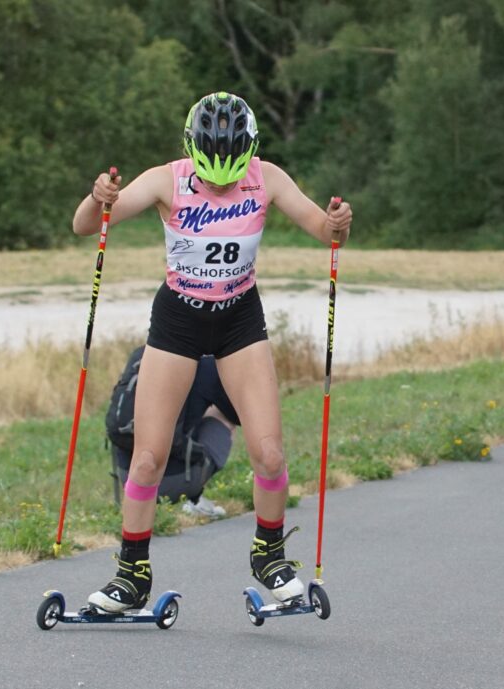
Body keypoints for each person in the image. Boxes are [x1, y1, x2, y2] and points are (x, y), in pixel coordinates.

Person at [73, 91, 352, 612]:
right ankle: (131, 575)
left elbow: (323, 229)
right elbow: (87, 225)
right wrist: (98, 196)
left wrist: (339, 224)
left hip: (239, 322)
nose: (223, 184)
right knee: (149, 456)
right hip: (178, 321)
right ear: (193, 151)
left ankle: (269, 557)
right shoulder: (165, 179)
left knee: (269, 452)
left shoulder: (267, 177)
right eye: (212, 174)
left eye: (232, 173)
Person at [106, 345, 239, 519]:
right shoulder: (205, 365)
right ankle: (194, 500)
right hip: (174, 483)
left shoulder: (140, 355)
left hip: (130, 478)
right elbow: (238, 414)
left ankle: (135, 508)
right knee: (224, 416)